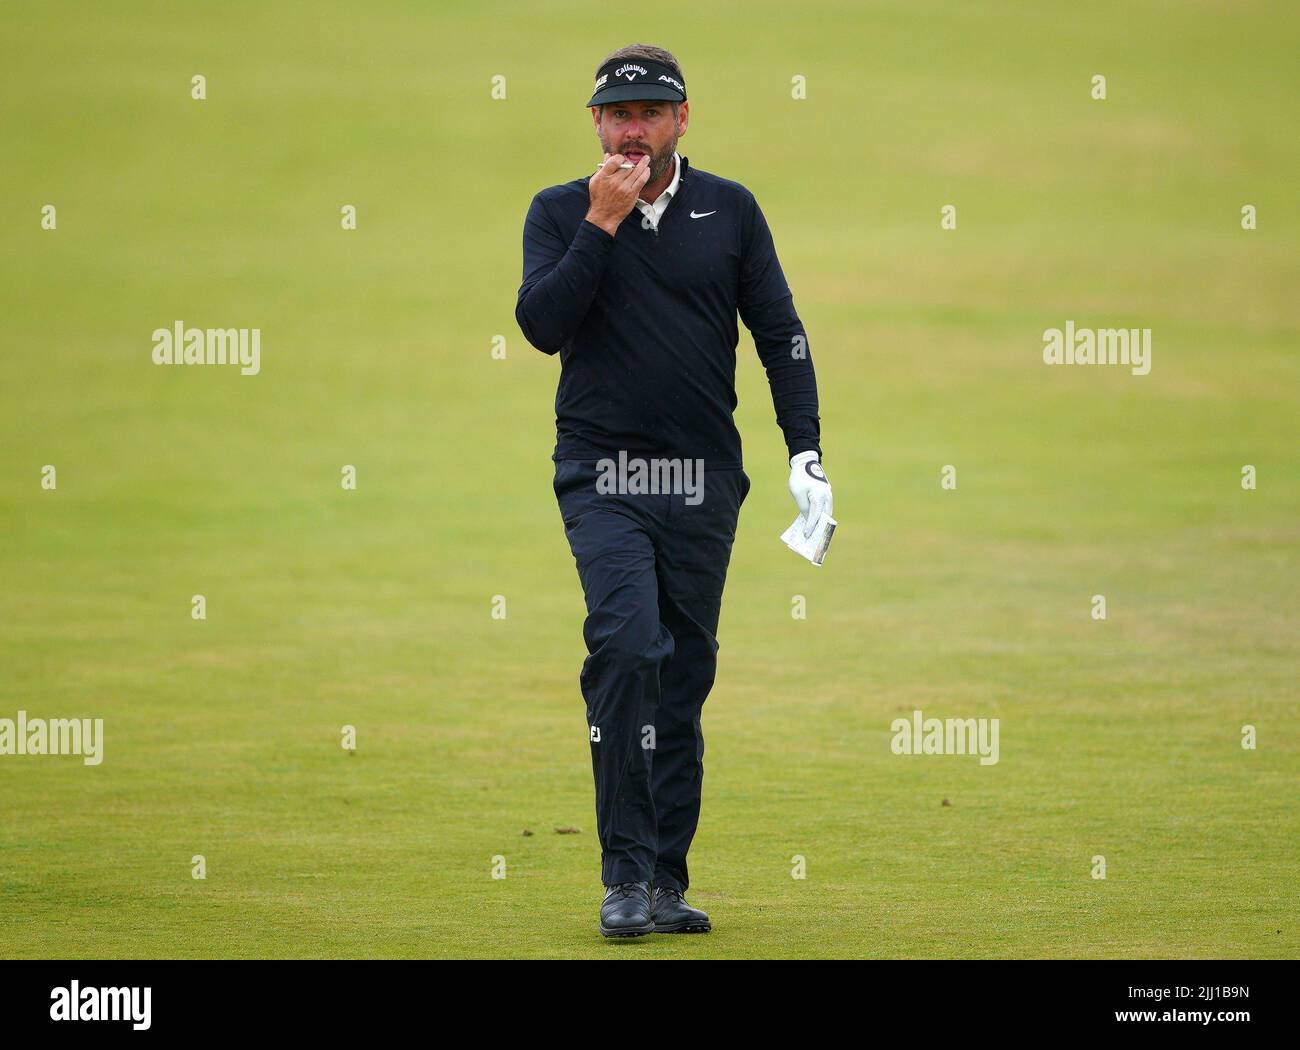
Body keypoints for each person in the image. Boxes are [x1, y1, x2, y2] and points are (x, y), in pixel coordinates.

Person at [515, 43, 832, 938]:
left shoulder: (729, 210)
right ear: (595, 124)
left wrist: (804, 453)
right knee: (626, 648)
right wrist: (600, 225)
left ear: (681, 119)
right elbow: (542, 325)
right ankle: (621, 875)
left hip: (701, 482)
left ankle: (663, 878)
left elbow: (781, 334)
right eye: (618, 115)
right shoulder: (559, 211)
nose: (633, 129)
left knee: (682, 677)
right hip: (602, 473)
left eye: (651, 112)